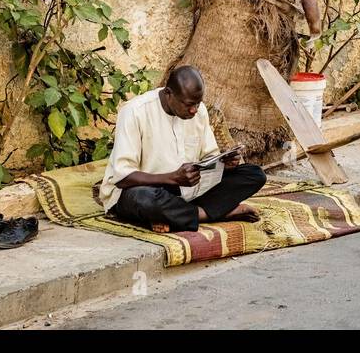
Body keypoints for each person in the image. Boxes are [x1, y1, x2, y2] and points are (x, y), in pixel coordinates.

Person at [99, 65, 266, 232]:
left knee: (254, 174)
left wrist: (224, 164)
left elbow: (209, 159)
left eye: (198, 103)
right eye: (188, 104)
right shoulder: (134, 112)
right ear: (169, 94)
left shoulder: (199, 112)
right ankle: (211, 213)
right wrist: (172, 178)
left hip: (187, 190)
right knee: (144, 198)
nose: (194, 110)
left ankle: (177, 215)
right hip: (144, 190)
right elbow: (122, 178)